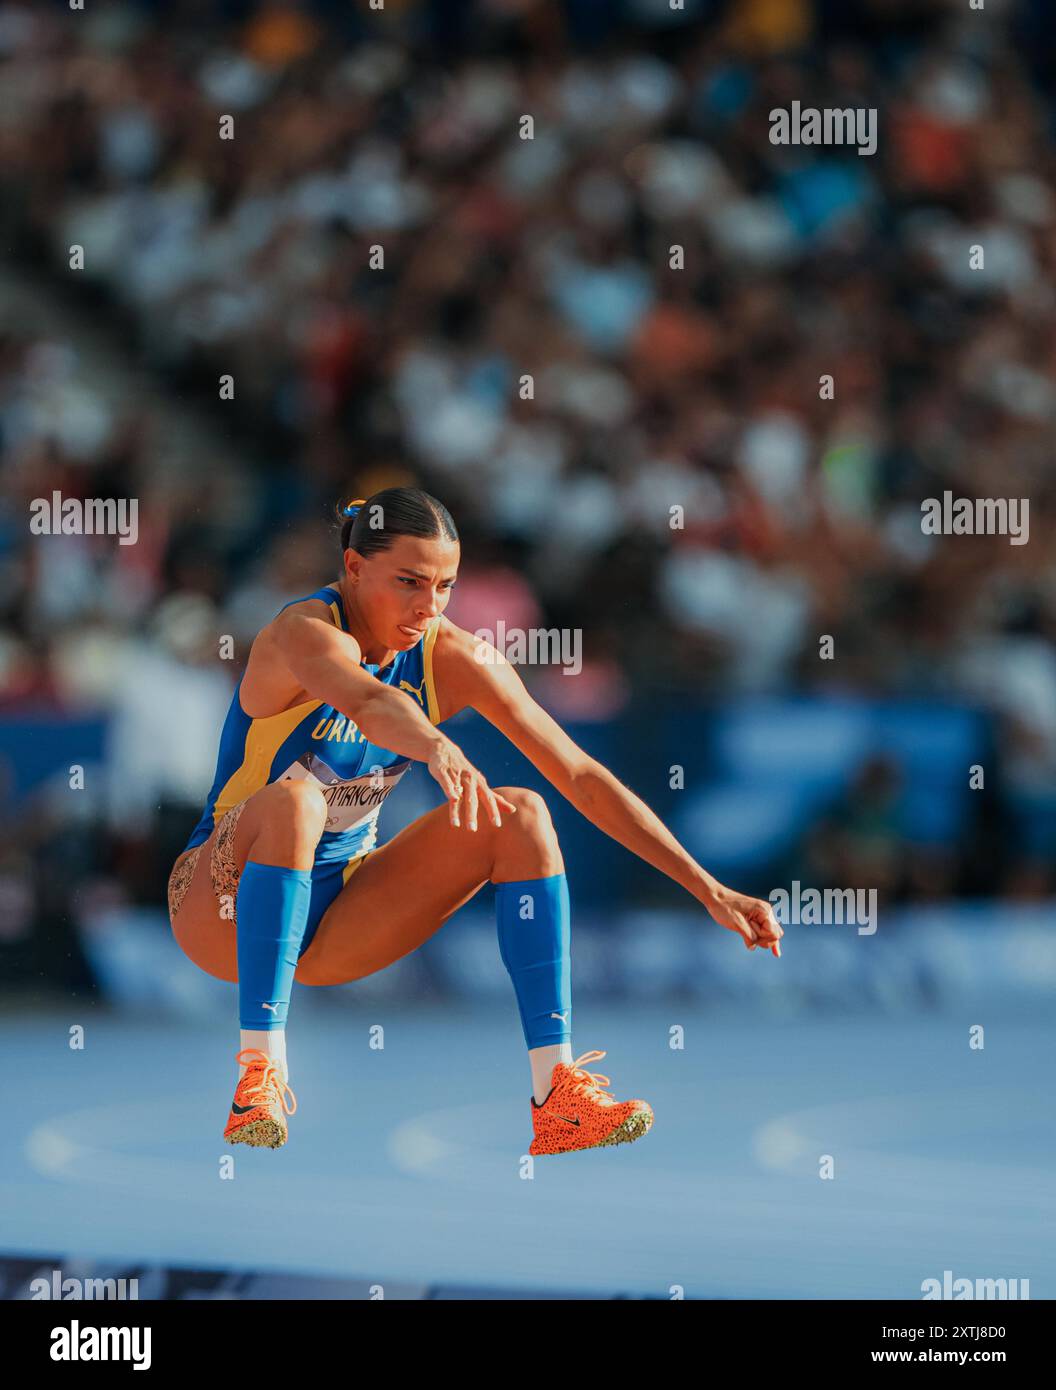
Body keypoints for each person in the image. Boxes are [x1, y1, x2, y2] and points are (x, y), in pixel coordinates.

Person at [167, 486, 782, 1156]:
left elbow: (582, 776)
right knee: (297, 800)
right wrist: (432, 743)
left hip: (339, 914)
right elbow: (369, 700)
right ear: (353, 567)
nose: (427, 607)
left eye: (444, 586)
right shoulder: (301, 635)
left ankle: (558, 1096)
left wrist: (707, 888)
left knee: (523, 812)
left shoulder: (455, 657)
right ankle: (260, 1071)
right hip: (218, 904)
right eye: (408, 582)